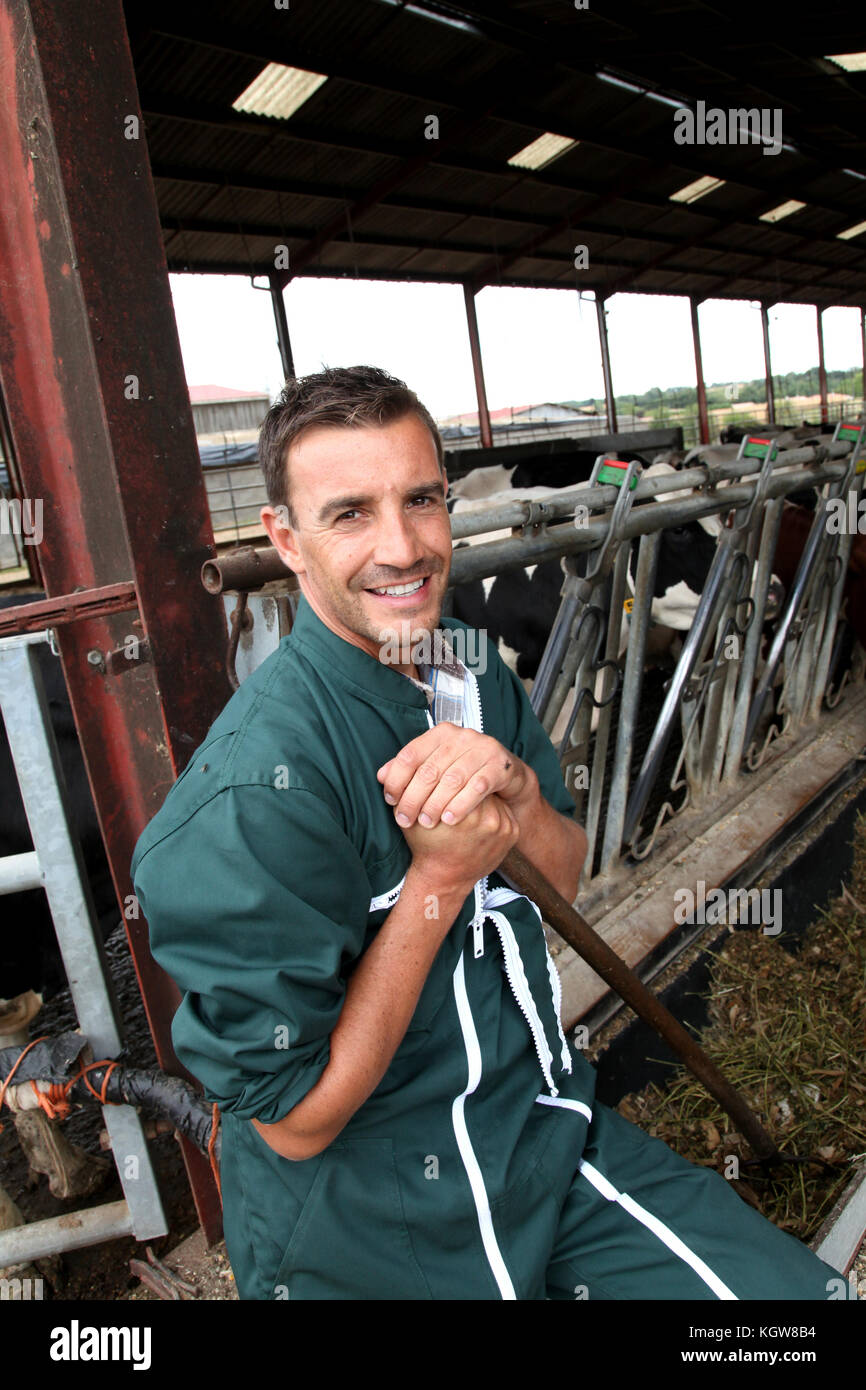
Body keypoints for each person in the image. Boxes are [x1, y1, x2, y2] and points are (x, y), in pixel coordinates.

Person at [132, 365, 838, 1301]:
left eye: (421, 499)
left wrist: (513, 788)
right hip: (370, 1232)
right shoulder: (247, 805)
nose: (403, 546)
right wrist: (440, 884)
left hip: (541, 1141)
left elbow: (564, 876)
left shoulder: (463, 670)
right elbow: (297, 1124)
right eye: (349, 514)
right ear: (284, 541)